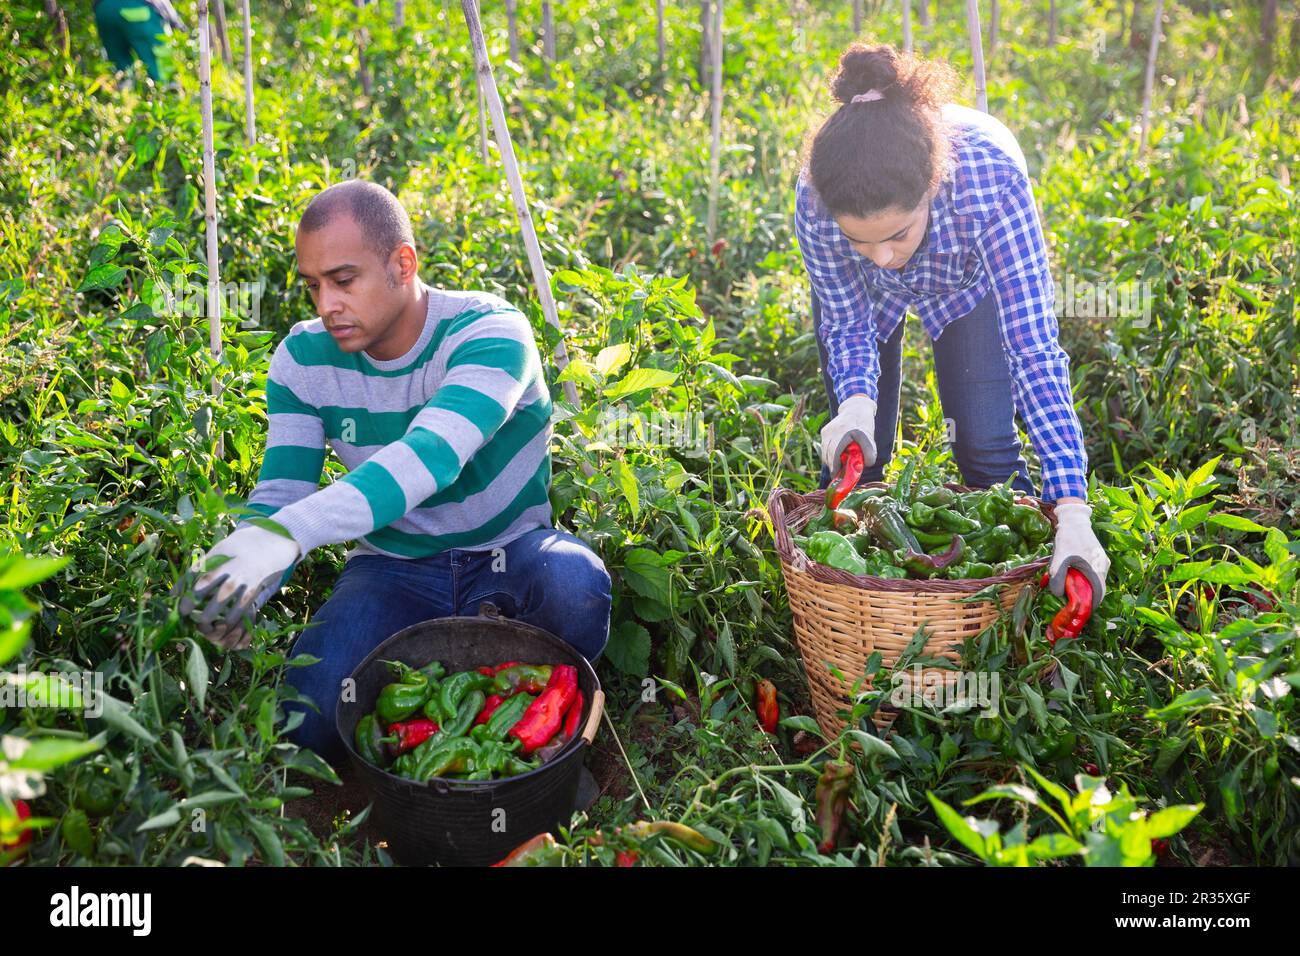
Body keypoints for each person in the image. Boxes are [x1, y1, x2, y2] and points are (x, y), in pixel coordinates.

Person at [186, 180, 613, 768]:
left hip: (508, 553)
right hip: (392, 569)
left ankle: (547, 725)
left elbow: (429, 458)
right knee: (306, 724)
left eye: (343, 280)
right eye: (312, 286)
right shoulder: (303, 360)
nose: (325, 305)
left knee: (573, 586)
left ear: (402, 263)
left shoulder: (488, 332)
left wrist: (283, 536)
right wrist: (239, 583)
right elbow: (283, 491)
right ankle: (459, 679)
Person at [795, 42, 1108, 610]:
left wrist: (1072, 508)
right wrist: (856, 404)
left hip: (969, 289)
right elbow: (846, 323)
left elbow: (1033, 352)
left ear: (933, 190)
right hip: (868, 305)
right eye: (859, 241)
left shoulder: (990, 184)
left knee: (987, 453)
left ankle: (989, 608)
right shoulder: (819, 200)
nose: (882, 257)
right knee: (866, 455)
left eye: (897, 235)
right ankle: (869, 606)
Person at [93, 0, 185, 83]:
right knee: (163, 70)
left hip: (103, 9)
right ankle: (169, 93)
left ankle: (123, 95)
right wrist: (179, 25)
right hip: (137, 7)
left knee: (121, 72)